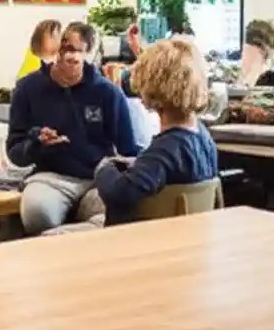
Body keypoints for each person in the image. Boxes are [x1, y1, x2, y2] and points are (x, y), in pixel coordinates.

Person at [7, 22, 140, 236]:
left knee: (116, 213)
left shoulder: (107, 93)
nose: (71, 58)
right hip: (50, 178)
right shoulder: (27, 89)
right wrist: (37, 143)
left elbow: (128, 152)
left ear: (88, 54)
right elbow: (15, 151)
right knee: (37, 212)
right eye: (65, 50)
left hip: (97, 179)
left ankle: (64, 241)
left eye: (78, 51)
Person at [94, 37, 219, 226]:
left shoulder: (164, 151)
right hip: (189, 237)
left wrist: (105, 167)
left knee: (55, 235)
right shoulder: (204, 139)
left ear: (151, 87)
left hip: (144, 240)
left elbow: (119, 193)